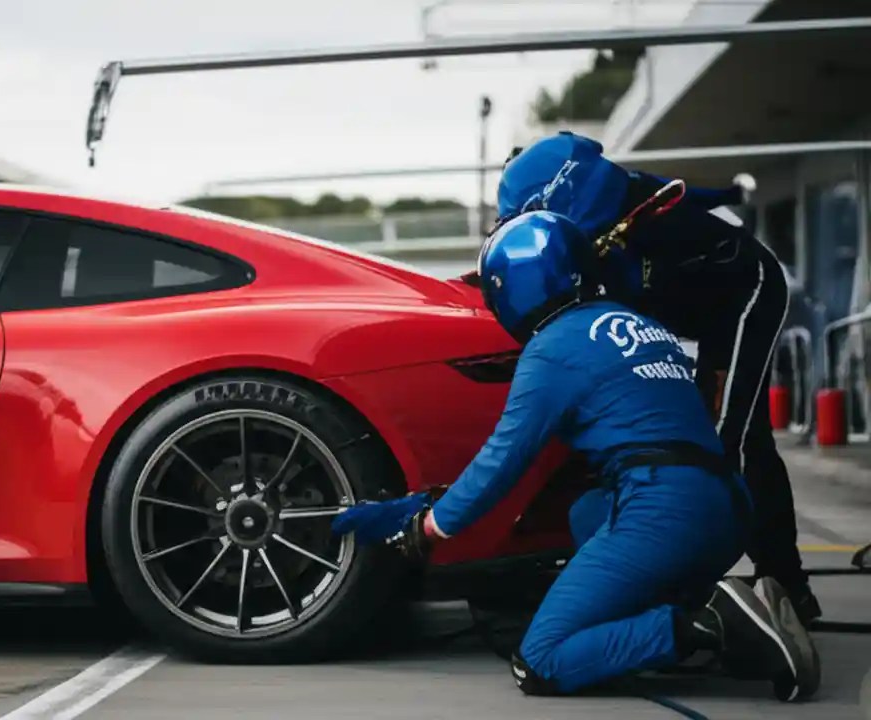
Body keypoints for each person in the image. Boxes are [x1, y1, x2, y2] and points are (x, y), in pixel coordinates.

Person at [333, 211, 819, 700]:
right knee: (584, 513)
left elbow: (501, 462)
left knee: (541, 660)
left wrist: (429, 527)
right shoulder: (636, 324)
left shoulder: (551, 350)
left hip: (664, 512)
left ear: (512, 287)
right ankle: (703, 605)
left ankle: (709, 626)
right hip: (727, 506)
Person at [494, 131, 819, 626]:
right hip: (689, 311)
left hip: (747, 297)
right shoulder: (596, 221)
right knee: (681, 437)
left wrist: (731, 196)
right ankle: (666, 574)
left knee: (736, 442)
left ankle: (784, 587)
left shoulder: (645, 207)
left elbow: (691, 195)